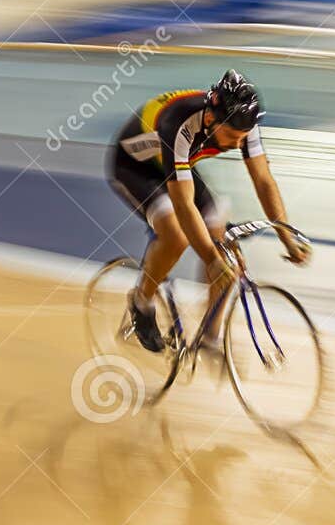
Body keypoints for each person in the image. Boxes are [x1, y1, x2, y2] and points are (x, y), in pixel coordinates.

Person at [106, 70, 309, 352]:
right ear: (211, 119)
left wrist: (285, 236)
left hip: (174, 164)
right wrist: (212, 261)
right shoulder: (179, 123)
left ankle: (210, 336)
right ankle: (142, 302)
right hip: (134, 168)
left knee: (221, 236)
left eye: (243, 137)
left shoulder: (242, 125)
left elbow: (263, 180)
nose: (238, 145)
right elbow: (183, 204)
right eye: (231, 137)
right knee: (176, 235)